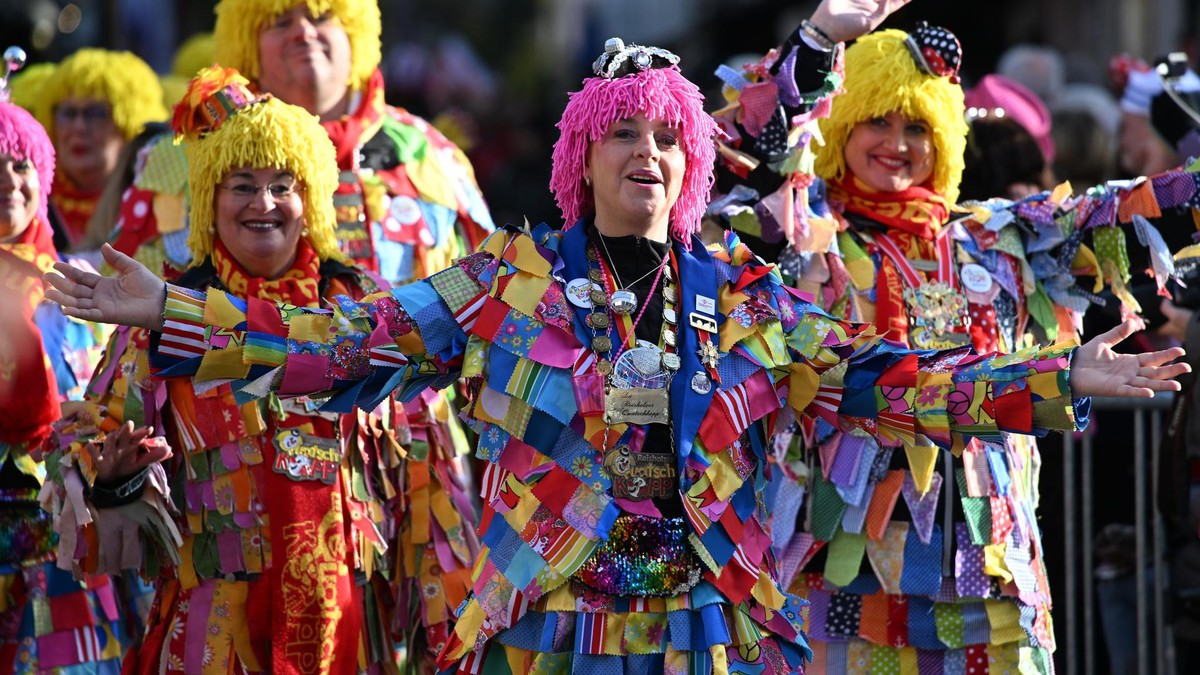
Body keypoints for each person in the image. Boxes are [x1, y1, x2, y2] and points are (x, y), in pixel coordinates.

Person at [44, 5, 1189, 674]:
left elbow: (887, 382)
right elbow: (343, 343)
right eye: (623, 136)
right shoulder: (508, 283)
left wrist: (1057, 374)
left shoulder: (743, 293)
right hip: (549, 615)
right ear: (580, 160)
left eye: (669, 140)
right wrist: (166, 312)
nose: (649, 154)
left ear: (692, 168)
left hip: (703, 619)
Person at [40, 66, 479, 673]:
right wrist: (112, 480)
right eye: (242, 185)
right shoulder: (154, 319)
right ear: (209, 200)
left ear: (312, 199)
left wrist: (442, 629)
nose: (263, 203)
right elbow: (81, 445)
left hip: (348, 635)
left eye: (283, 185)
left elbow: (427, 473)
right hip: (214, 635)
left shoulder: (366, 310)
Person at [0, 80, 131, 674]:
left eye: (21, 164)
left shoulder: (80, 284)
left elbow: (115, 401)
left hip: (67, 549)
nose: (9, 181)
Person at [32, 48, 167, 253]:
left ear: (129, 124)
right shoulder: (30, 200)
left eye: (96, 113)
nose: (78, 127)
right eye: (68, 113)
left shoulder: (156, 205)